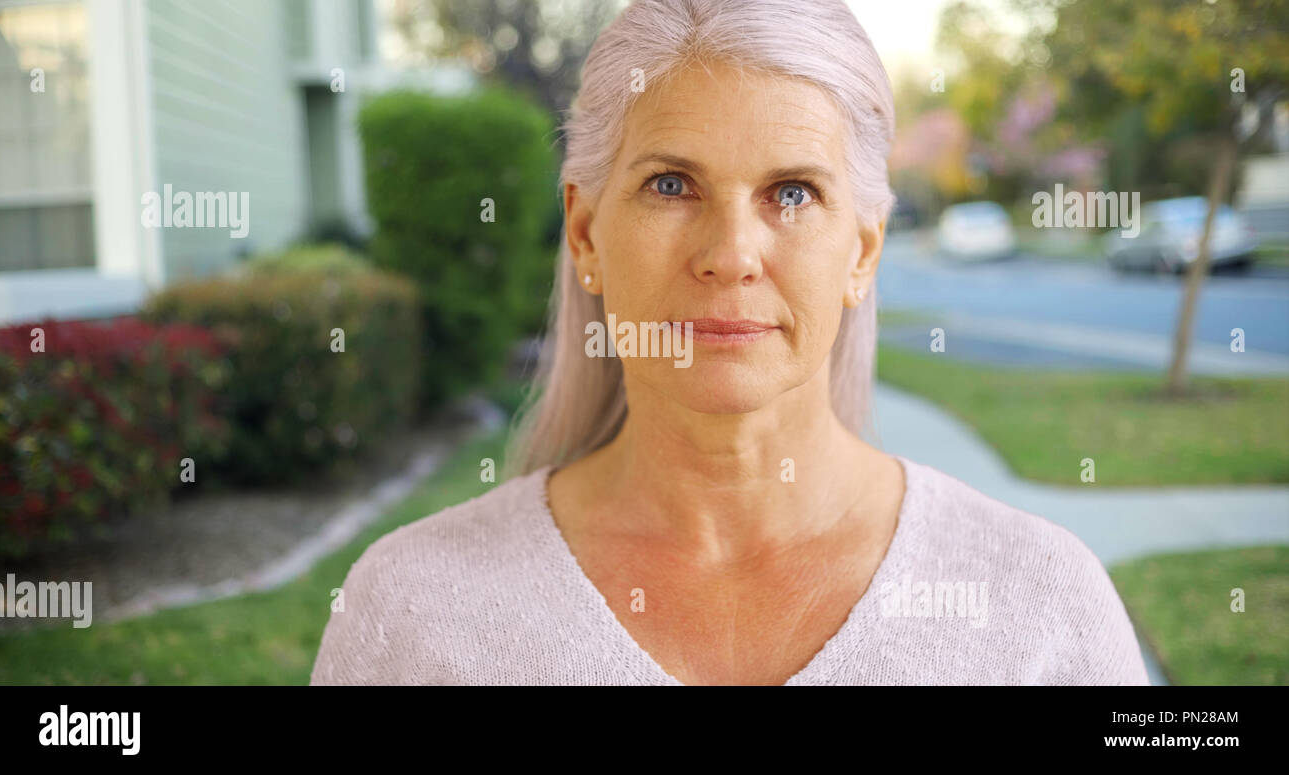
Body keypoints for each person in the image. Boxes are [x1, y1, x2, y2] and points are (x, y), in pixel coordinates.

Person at [310, 0, 1150, 686]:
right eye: (671, 184)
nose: (730, 256)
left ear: (862, 250)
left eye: (792, 191)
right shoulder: (410, 612)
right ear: (586, 232)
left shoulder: (1043, 607)